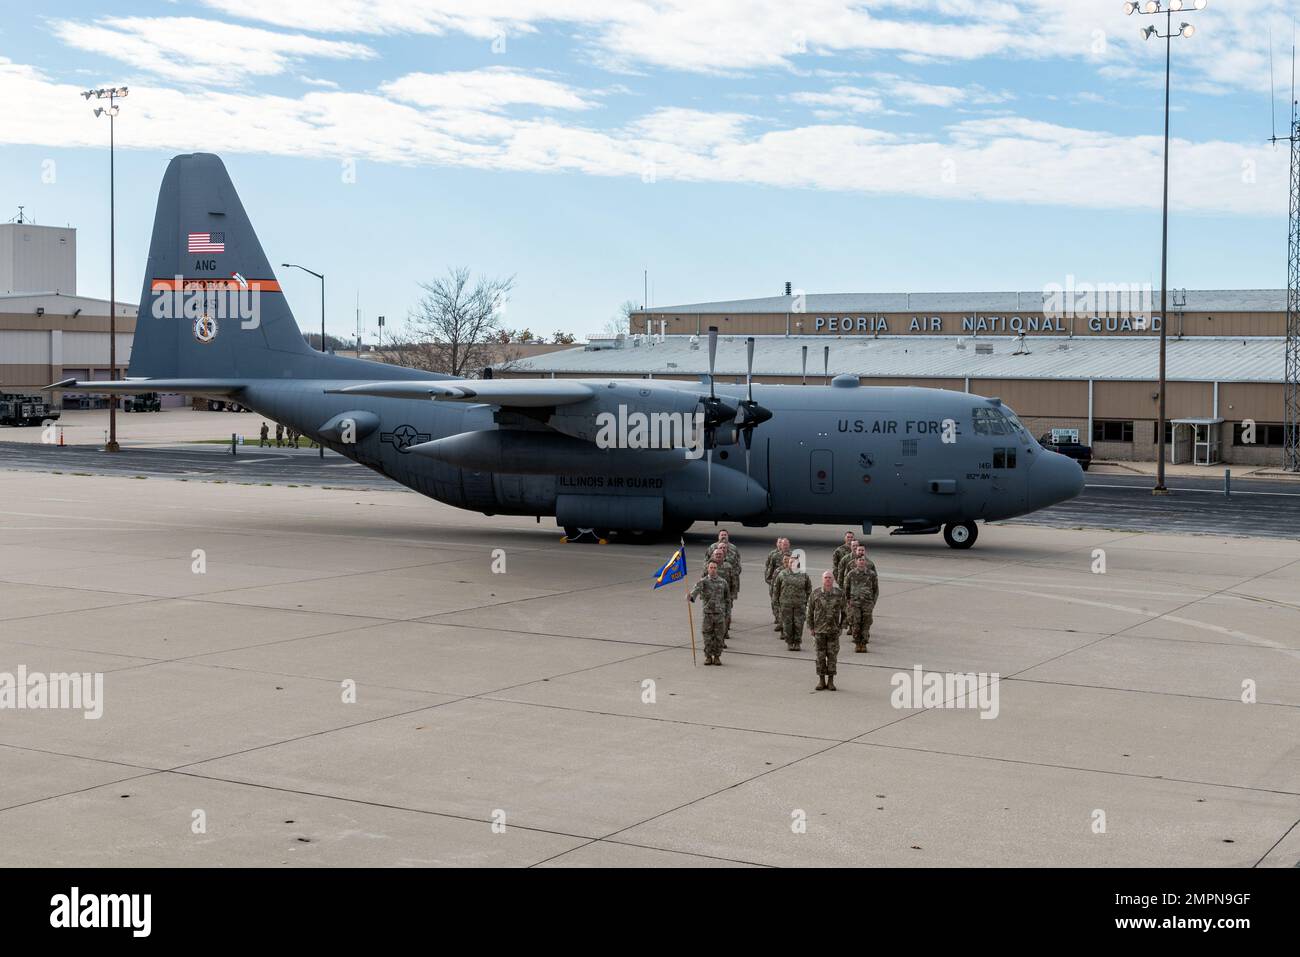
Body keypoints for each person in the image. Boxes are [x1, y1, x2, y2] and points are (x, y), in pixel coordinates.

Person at [806, 569, 846, 691]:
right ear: (822, 579)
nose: (828, 580)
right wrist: (811, 627)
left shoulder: (839, 593)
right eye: (826, 578)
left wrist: (841, 627)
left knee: (832, 656)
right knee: (820, 656)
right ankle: (821, 680)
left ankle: (831, 681)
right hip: (819, 630)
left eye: (830, 577)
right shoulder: (815, 593)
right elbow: (809, 611)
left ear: (833, 580)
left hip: (833, 630)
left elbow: (845, 612)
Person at [689, 560, 731, 666]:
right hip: (708, 614)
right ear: (707, 569)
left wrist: (727, 613)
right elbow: (695, 591)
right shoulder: (703, 581)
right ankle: (708, 657)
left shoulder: (723, 582)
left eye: (714, 568)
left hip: (720, 614)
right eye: (711, 567)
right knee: (707, 636)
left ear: (717, 569)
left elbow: (727, 599)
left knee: (719, 637)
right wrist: (690, 596)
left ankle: (717, 657)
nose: (713, 569)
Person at [773, 553, 811, 651]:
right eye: (791, 562)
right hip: (786, 604)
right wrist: (776, 603)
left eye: (795, 562)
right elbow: (776, 590)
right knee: (787, 624)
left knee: (799, 624)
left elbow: (808, 590)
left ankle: (797, 642)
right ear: (788, 564)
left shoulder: (804, 575)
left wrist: (806, 602)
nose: (792, 564)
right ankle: (790, 642)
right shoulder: (782, 574)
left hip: (799, 604)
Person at [843, 555, 878, 653]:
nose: (861, 562)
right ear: (856, 561)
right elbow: (846, 588)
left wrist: (873, 602)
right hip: (855, 603)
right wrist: (848, 601)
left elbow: (875, 590)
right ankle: (858, 643)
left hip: (867, 603)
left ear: (865, 562)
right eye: (860, 560)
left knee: (866, 623)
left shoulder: (871, 574)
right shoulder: (851, 574)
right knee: (856, 623)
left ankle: (864, 643)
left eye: (863, 560)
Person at [711, 545, 739, 645]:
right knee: (713, 621)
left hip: (725, 598)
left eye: (720, 554)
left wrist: (732, 595)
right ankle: (715, 640)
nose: (718, 555)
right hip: (712, 600)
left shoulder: (728, 566)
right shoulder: (710, 566)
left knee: (725, 619)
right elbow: (703, 582)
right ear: (713, 556)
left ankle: (722, 639)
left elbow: (733, 581)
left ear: (724, 556)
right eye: (716, 554)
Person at [764, 537, 790, 630]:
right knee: (775, 602)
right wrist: (769, 581)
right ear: (780, 545)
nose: (785, 546)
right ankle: (778, 618)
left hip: (788, 585)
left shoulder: (794, 556)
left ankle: (782, 622)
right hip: (775, 583)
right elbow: (769, 569)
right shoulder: (775, 556)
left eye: (787, 544)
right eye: (783, 544)